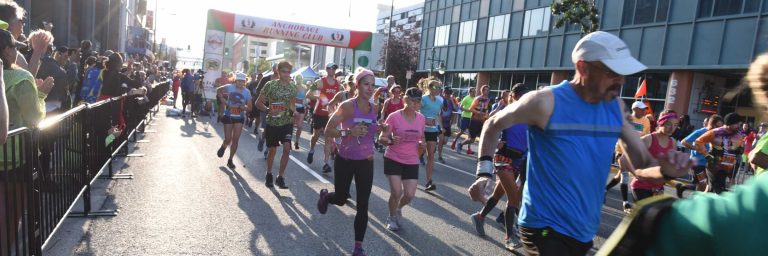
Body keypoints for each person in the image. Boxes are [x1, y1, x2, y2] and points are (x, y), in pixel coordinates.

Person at [468, 31, 692, 255]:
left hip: (583, 231)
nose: (621, 80)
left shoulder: (615, 108)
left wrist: (667, 171)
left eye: (621, 73)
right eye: (612, 72)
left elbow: (641, 165)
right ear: (583, 68)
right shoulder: (545, 101)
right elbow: (493, 124)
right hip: (544, 227)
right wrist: (484, 172)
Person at [597, 52, 768, 256]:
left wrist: (667, 173)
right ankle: (621, 198)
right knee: (627, 183)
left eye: (674, 125)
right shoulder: (651, 137)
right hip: (642, 179)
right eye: (668, 124)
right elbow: (629, 163)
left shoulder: (670, 140)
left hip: (660, 182)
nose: (671, 127)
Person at [0, 28, 53, 253]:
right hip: (15, 156)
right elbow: (34, 118)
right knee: (11, 217)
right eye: (13, 46)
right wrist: (41, 94)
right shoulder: (21, 78)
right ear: (6, 51)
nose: (15, 50)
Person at [317, 68, 379, 256]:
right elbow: (328, 130)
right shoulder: (347, 106)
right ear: (357, 85)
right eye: (366, 84)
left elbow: (372, 130)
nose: (370, 88)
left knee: (363, 205)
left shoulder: (375, 107)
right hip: (345, 159)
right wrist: (349, 132)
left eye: (372, 85)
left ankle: (358, 246)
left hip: (366, 160)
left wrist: (383, 133)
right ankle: (328, 197)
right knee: (342, 199)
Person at [469, 83, 530, 251]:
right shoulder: (505, 114)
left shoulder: (530, 116)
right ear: (513, 96)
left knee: (497, 195)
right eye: (521, 95)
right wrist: (497, 143)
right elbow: (489, 130)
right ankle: (509, 237)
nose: (525, 98)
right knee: (514, 198)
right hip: (503, 159)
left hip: (519, 160)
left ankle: (480, 217)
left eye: (527, 95)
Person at [378, 87, 426, 231]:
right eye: (412, 100)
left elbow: (421, 138)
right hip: (393, 158)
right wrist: (391, 140)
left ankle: (398, 208)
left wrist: (421, 144)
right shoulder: (394, 117)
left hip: (411, 159)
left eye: (418, 101)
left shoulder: (421, 118)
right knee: (397, 192)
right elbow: (382, 138)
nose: (415, 104)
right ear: (405, 100)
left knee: (410, 195)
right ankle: (391, 217)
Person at [605, 100, 655, 212]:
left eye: (644, 109)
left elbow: (647, 137)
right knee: (625, 175)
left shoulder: (646, 121)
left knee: (619, 175)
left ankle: (605, 189)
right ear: (635, 109)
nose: (644, 111)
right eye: (642, 109)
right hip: (622, 152)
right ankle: (626, 203)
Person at [255, 61, 297, 189]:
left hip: (287, 123)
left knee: (286, 148)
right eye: (284, 71)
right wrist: (268, 110)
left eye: (289, 72)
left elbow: (291, 105)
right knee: (272, 150)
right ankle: (269, 174)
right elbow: (258, 103)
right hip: (273, 123)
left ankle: (281, 177)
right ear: (278, 72)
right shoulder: (270, 85)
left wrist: (293, 113)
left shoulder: (293, 87)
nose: (286, 74)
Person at [625, 110, 680, 201]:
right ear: (661, 122)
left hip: (658, 188)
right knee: (645, 214)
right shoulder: (648, 139)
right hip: (641, 187)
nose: (672, 129)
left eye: (675, 125)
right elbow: (624, 158)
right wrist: (637, 174)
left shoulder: (673, 142)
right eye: (668, 124)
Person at [694, 112, 744, 194]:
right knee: (719, 190)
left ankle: (697, 202)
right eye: (737, 124)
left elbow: (740, 147)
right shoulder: (715, 132)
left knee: (710, 189)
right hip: (714, 165)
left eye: (739, 124)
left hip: (727, 167)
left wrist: (740, 149)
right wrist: (707, 156)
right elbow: (699, 142)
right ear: (729, 123)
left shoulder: (738, 134)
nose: (739, 126)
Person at [306, 63, 340, 173]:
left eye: (334, 69)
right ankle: (311, 150)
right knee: (316, 135)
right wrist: (321, 97)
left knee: (329, 139)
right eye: (331, 68)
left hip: (330, 115)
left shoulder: (338, 84)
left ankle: (326, 163)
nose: (333, 70)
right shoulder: (320, 82)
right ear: (327, 69)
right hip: (319, 112)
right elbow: (308, 94)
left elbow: (340, 98)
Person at [677, 115, 723, 196]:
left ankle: (683, 188)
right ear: (711, 124)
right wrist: (695, 148)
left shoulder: (716, 134)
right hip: (697, 164)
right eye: (717, 126)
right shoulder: (700, 132)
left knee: (706, 186)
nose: (718, 128)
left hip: (708, 164)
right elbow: (684, 141)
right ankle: (694, 202)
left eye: (720, 127)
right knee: (702, 184)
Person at [216, 73, 252, 169]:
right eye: (239, 80)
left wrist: (243, 107)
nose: (240, 82)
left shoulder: (247, 92)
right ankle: (224, 146)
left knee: (235, 139)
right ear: (235, 80)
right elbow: (218, 90)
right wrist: (222, 99)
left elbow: (250, 108)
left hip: (239, 118)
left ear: (245, 82)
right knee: (228, 139)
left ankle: (230, 160)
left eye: (242, 81)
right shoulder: (229, 87)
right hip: (228, 116)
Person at [420, 80, 443, 191]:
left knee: (431, 156)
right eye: (436, 87)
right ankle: (408, 177)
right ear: (430, 88)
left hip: (432, 131)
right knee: (416, 154)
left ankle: (429, 181)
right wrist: (425, 121)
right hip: (420, 130)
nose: (438, 89)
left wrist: (441, 127)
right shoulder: (423, 99)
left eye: (439, 87)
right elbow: (416, 112)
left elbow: (437, 115)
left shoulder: (439, 101)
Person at [457, 85, 490, 155]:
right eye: (485, 90)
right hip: (474, 121)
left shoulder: (487, 99)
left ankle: (481, 156)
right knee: (472, 140)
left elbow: (485, 109)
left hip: (482, 121)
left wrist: (486, 115)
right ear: (482, 90)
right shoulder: (478, 98)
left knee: (483, 138)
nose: (486, 91)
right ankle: (460, 144)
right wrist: (479, 112)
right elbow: (471, 109)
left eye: (488, 90)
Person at [437, 86, 456, 163]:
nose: (448, 95)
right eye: (446, 93)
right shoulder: (441, 100)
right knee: (441, 139)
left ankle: (434, 144)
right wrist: (441, 126)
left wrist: (452, 100)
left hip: (447, 124)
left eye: (449, 93)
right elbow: (439, 113)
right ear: (443, 93)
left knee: (444, 141)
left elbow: (456, 109)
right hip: (440, 123)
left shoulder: (451, 101)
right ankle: (440, 156)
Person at [292, 74, 307, 150]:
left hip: (301, 108)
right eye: (297, 78)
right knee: (291, 126)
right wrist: (294, 109)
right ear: (295, 79)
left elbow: (305, 98)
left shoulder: (304, 87)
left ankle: (297, 141)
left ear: (302, 79)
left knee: (299, 126)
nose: (299, 80)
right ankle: (288, 141)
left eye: (300, 78)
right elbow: (291, 99)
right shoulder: (292, 87)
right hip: (293, 107)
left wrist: (306, 103)